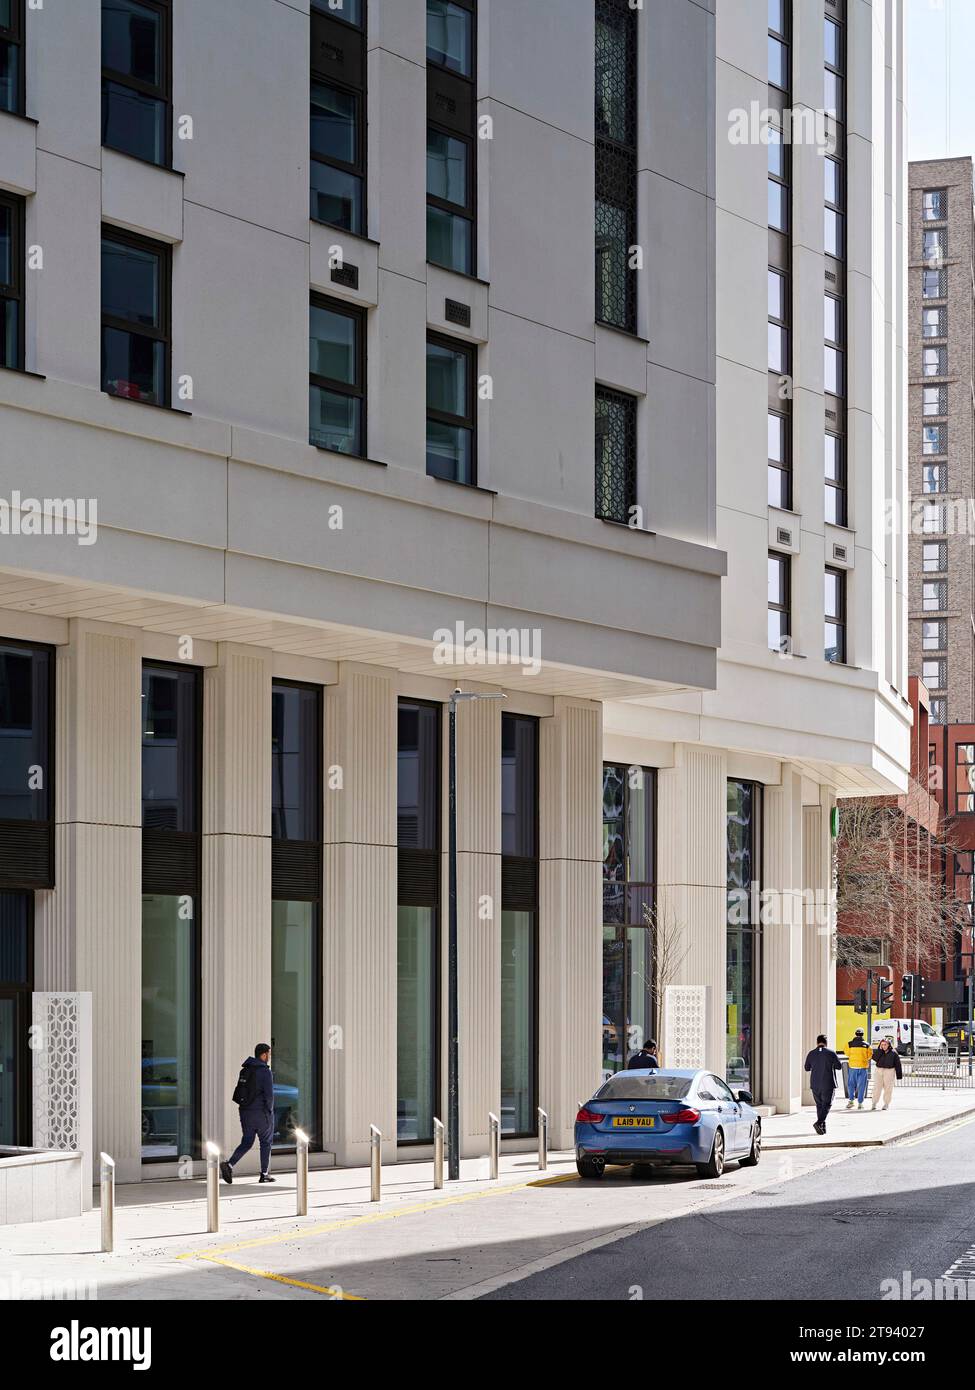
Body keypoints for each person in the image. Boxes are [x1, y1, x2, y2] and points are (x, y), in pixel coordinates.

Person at [221, 1043, 276, 1184]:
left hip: (245, 1112)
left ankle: (229, 1164)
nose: (270, 1056)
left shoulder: (245, 1070)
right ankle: (264, 1174)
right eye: (269, 1054)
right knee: (265, 1143)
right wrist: (269, 1112)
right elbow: (269, 1096)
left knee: (247, 1141)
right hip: (261, 1114)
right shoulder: (265, 1072)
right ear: (264, 1054)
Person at [804, 1033, 841, 1135]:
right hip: (828, 1083)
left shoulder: (811, 1053)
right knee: (827, 1104)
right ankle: (819, 1122)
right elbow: (839, 1066)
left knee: (819, 1105)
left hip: (815, 1083)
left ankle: (822, 1128)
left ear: (817, 1042)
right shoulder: (831, 1053)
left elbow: (807, 1068)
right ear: (826, 1043)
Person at [870, 1036, 902, 1111]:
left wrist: (899, 1075)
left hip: (889, 1071)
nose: (883, 1046)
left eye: (885, 1045)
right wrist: (879, 1050)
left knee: (888, 1088)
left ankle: (886, 1104)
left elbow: (898, 1064)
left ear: (889, 1045)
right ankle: (874, 1103)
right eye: (882, 1045)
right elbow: (874, 1058)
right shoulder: (879, 1051)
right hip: (879, 1070)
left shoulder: (894, 1053)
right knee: (877, 1087)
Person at [845, 1027, 871, 1110]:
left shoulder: (849, 1044)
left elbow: (847, 1053)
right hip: (863, 1067)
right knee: (862, 1085)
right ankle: (860, 1103)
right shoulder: (867, 1045)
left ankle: (851, 1101)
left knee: (851, 1084)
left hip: (853, 1067)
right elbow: (869, 1055)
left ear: (855, 1034)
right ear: (863, 1035)